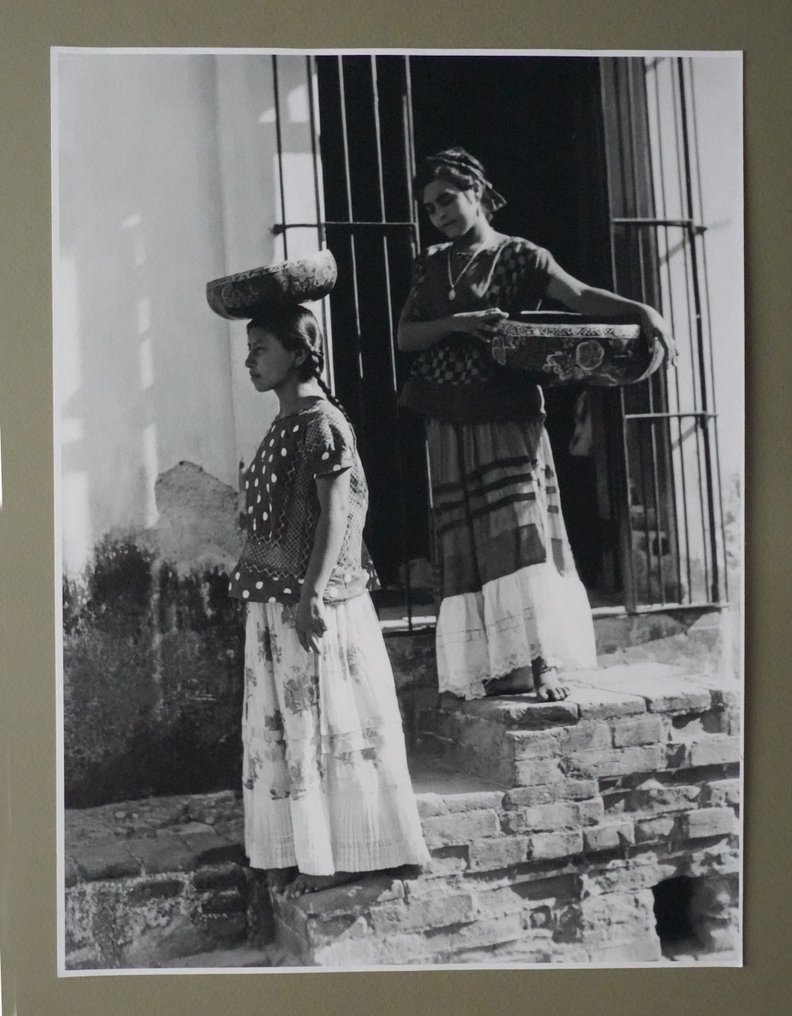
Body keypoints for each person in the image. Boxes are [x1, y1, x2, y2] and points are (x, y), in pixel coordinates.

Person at [397, 147, 676, 703]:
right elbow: (406, 337)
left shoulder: (522, 256)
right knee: (469, 540)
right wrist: (458, 322)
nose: (440, 214)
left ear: (476, 192)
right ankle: (492, 665)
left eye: (447, 199)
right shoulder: (430, 264)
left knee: (521, 534)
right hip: (447, 418)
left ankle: (542, 662)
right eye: (430, 208)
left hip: (507, 411)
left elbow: (579, 297)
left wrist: (643, 313)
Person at [228, 303, 429, 898]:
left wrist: (313, 593)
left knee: (326, 723)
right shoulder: (286, 423)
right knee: (291, 727)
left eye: (261, 347)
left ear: (297, 352)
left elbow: (337, 513)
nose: (250, 360)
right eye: (250, 348)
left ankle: (348, 852)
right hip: (277, 600)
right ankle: (299, 846)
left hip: (313, 605)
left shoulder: (321, 421)